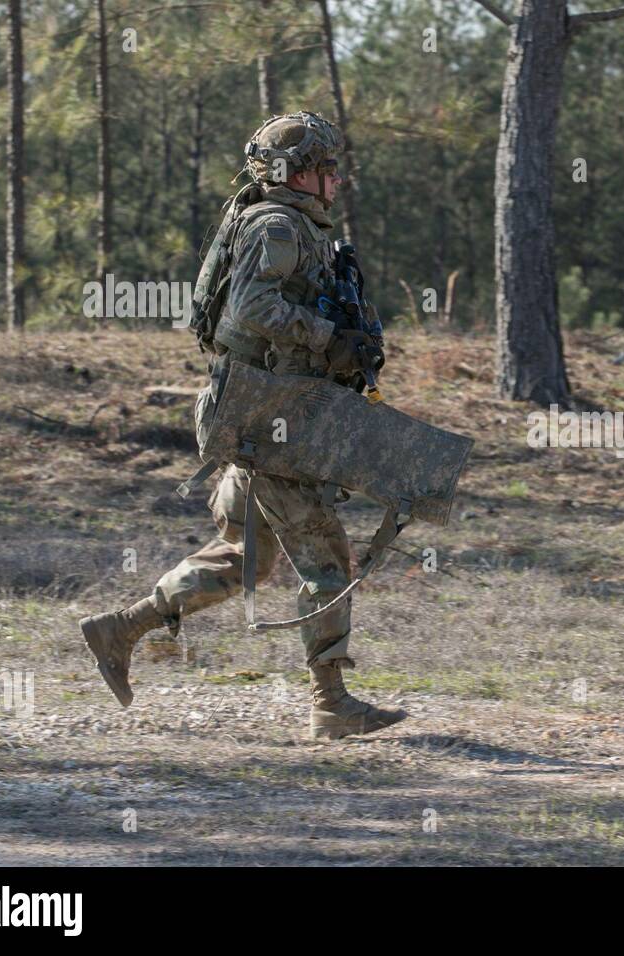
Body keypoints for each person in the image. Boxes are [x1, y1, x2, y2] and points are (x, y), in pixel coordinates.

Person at [80, 111, 406, 741]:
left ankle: (119, 628)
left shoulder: (295, 226)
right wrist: (326, 338)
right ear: (298, 174)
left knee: (244, 558)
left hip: (267, 416)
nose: (336, 180)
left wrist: (347, 347)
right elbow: (252, 306)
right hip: (268, 423)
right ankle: (332, 703)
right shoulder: (278, 224)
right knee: (325, 557)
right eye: (327, 168)